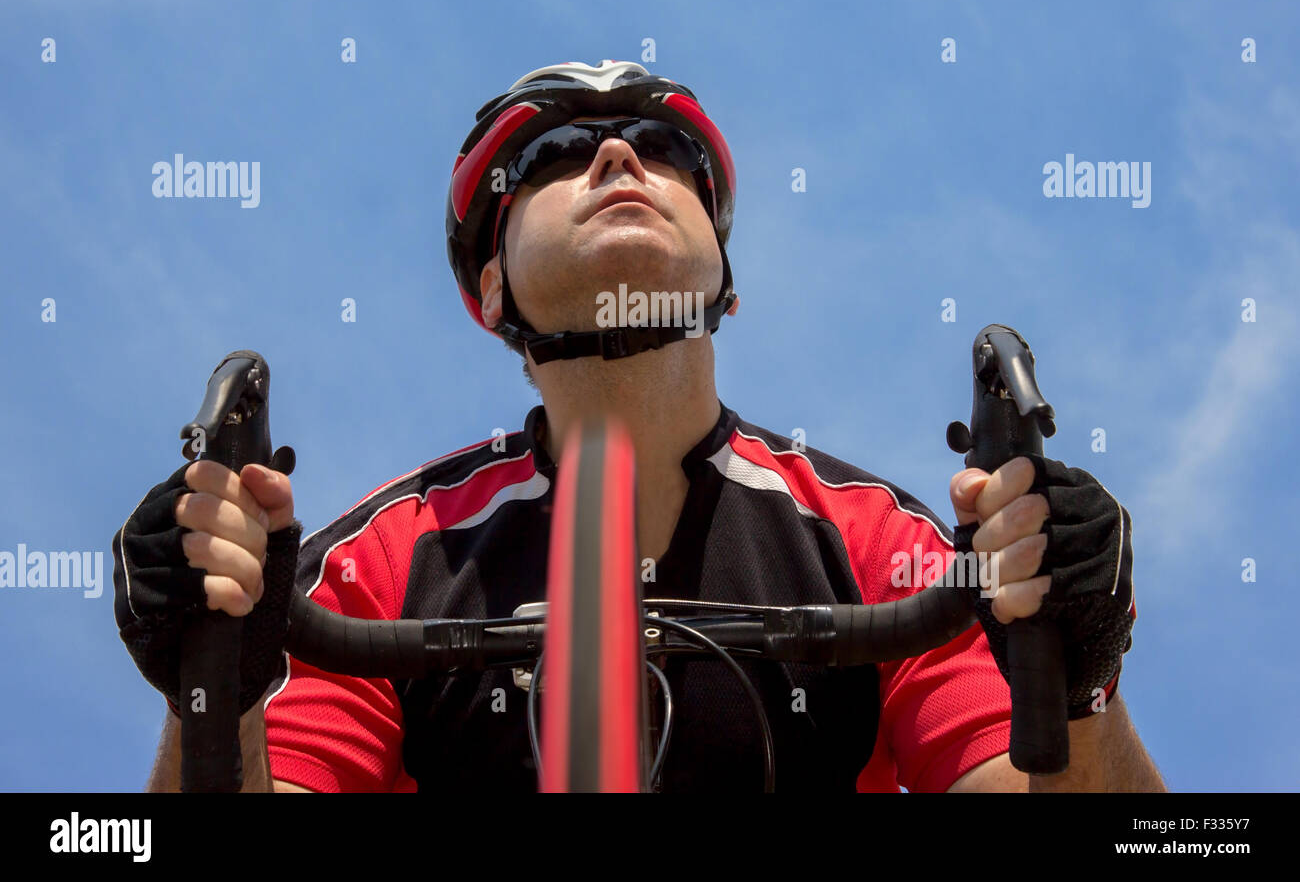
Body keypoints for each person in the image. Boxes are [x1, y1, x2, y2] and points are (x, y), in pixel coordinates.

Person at [113, 60, 1164, 792]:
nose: (618, 152)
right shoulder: (379, 561)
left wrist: (1076, 676)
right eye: (556, 155)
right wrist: (212, 689)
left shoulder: (877, 542)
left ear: (729, 284)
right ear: (491, 292)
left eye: (664, 149)